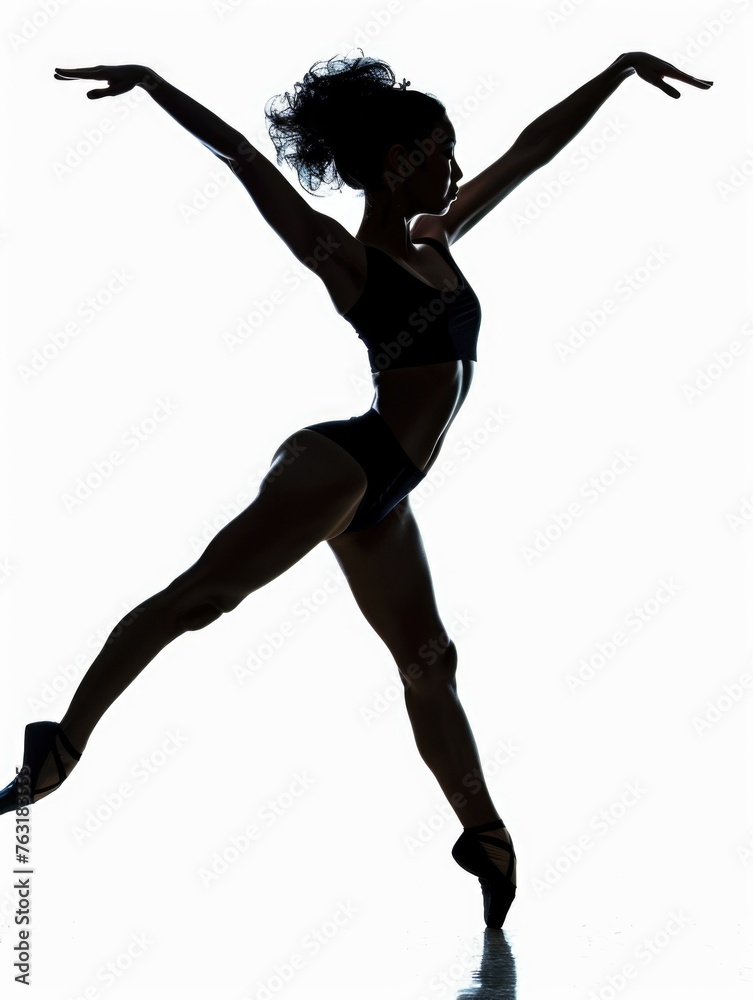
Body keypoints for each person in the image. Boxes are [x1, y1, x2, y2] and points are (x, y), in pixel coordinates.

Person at [0, 51, 711, 928]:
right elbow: (246, 163)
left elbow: (529, 153)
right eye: (442, 152)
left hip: (386, 490)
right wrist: (154, 84)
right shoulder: (349, 258)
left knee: (430, 664)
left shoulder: (436, 236)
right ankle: (62, 744)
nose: (456, 168)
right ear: (395, 159)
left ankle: (484, 836)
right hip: (343, 463)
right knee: (202, 597)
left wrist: (617, 72)